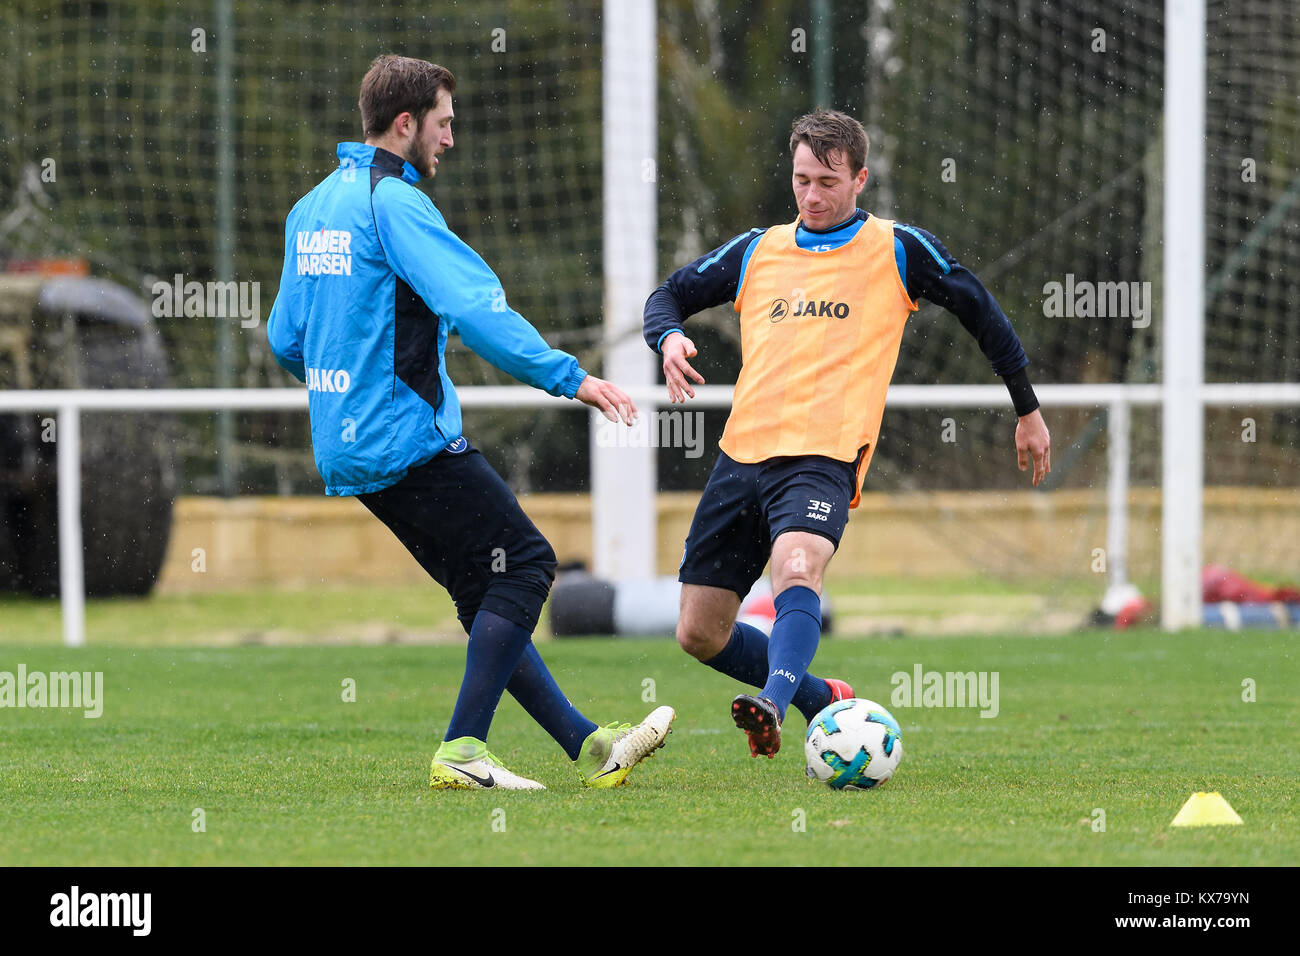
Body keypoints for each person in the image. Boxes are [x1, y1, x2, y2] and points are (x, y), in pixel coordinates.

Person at [268, 54, 673, 790]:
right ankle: (463, 747)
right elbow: (476, 312)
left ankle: (588, 745)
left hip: (347, 447)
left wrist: (343, 390)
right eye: (444, 123)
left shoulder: (312, 208)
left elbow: (285, 341)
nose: (450, 138)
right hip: (407, 439)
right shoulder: (396, 205)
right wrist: (569, 376)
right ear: (405, 123)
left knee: (484, 591)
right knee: (527, 565)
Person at [643, 109, 1051, 758]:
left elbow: (982, 312)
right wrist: (667, 338)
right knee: (699, 632)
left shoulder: (899, 248)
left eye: (828, 182)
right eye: (803, 180)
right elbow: (667, 294)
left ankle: (772, 705)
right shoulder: (758, 249)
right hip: (740, 456)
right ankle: (818, 699)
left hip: (823, 457)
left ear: (860, 178)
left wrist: (1026, 409)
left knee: (798, 566)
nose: (812, 195)